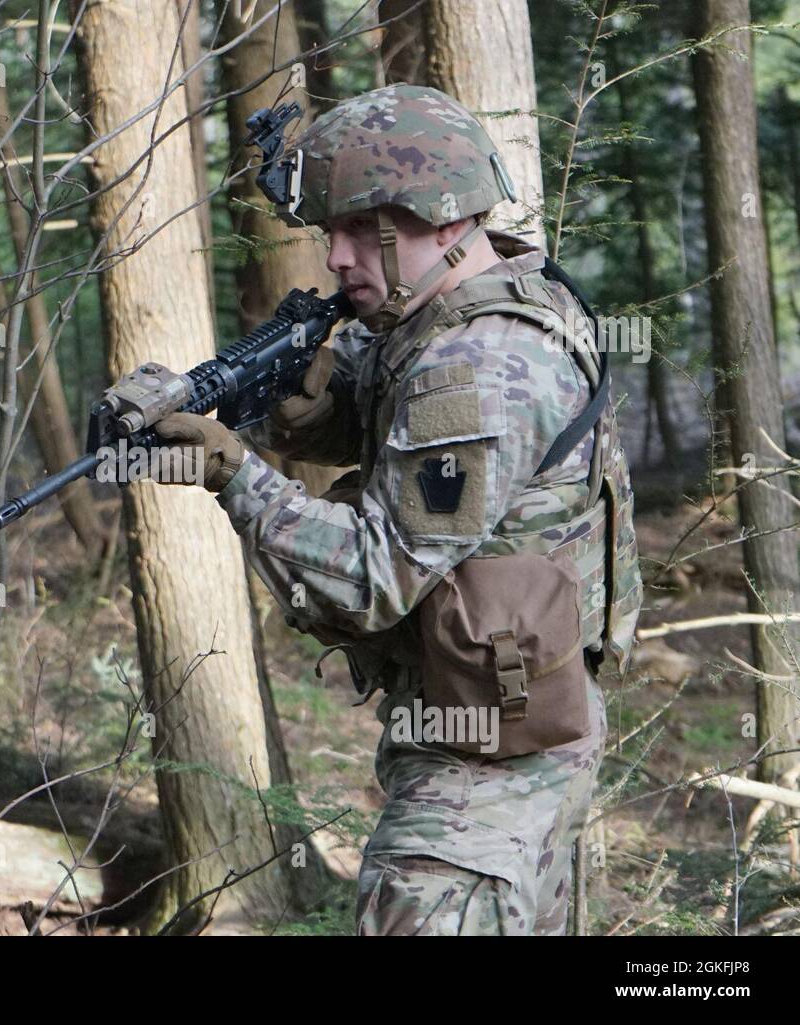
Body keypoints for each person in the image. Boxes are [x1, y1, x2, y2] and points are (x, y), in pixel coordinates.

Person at [150, 84, 642, 935]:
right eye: (328, 231)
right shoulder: (473, 304)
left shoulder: (480, 363)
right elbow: (414, 444)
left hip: (486, 776)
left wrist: (234, 471)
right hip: (497, 728)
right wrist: (292, 409)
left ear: (444, 222)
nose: (335, 258)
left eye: (359, 230)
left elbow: (376, 574)